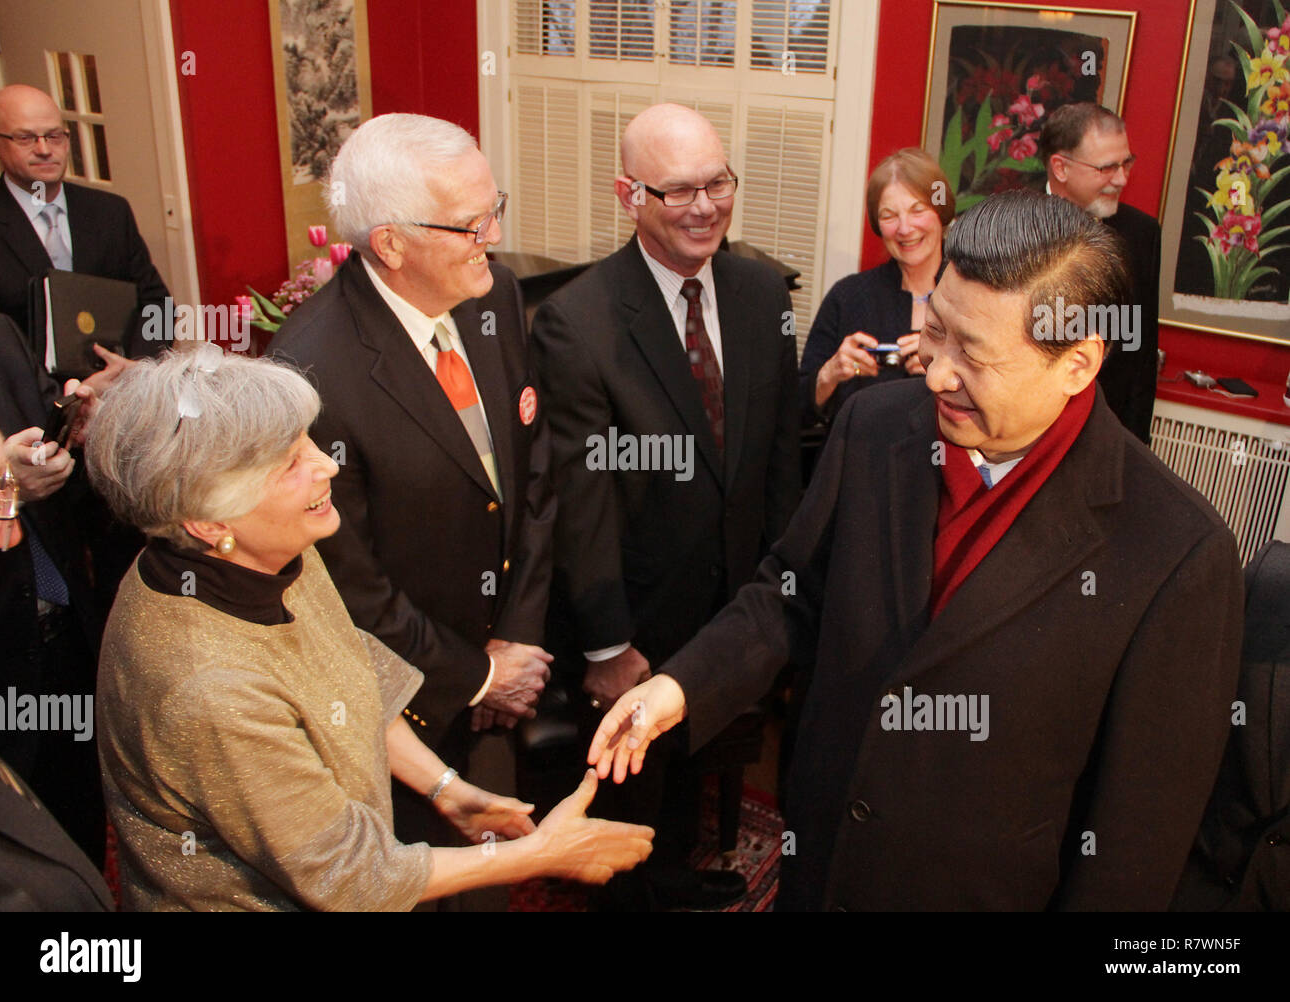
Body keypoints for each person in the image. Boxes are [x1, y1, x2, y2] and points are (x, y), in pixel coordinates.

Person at [589, 190, 1244, 911]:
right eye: (937, 333)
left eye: (975, 355)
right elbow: (791, 593)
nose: (934, 374)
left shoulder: (1176, 554)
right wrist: (679, 687)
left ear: (1078, 364)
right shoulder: (874, 425)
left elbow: (1134, 846)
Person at [83, 348, 651, 911]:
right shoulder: (209, 690)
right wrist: (543, 856)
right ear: (208, 520)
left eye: (307, 439)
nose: (326, 464)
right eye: (288, 464)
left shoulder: (257, 555)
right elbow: (351, 879)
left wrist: (447, 790)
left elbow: (351, 673)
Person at [268, 114, 555, 882]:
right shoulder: (309, 373)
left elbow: (531, 478)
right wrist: (476, 675)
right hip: (402, 715)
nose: (491, 235)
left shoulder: (495, 299)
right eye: (469, 223)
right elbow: (347, 589)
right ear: (390, 243)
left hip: (504, 677)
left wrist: (516, 649)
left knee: (491, 880)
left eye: (494, 207)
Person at [531, 103, 801, 909]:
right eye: (678, 190)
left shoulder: (761, 292)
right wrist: (610, 645)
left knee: (692, 763)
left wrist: (780, 593)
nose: (706, 206)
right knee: (632, 793)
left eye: (717, 182)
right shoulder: (575, 324)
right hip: (639, 616)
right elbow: (580, 503)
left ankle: (678, 878)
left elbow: (780, 455)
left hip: (736, 602)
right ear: (629, 193)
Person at [0, 308, 128, 867]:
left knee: (78, 852)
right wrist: (3, 491)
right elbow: (7, 485)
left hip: (62, 635)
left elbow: (45, 449)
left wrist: (79, 424)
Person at [0, 85, 171, 363]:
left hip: (122, 388)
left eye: (54, 136)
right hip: (34, 399)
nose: (44, 149)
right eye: (25, 138)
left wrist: (133, 368)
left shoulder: (110, 211)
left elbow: (157, 304)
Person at [799, 147, 953, 430]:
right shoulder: (847, 297)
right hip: (860, 463)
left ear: (940, 211)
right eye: (889, 215)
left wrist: (948, 370)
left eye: (917, 210)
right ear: (877, 225)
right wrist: (830, 375)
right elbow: (797, 412)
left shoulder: (976, 297)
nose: (905, 228)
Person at [1040, 102, 1159, 445]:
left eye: (1126, 163)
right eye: (1107, 168)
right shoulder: (1008, 223)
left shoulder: (1141, 235)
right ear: (1060, 167)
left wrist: (1133, 444)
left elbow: (1140, 351)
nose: (1122, 179)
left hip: (1101, 435)